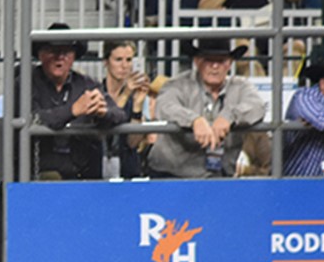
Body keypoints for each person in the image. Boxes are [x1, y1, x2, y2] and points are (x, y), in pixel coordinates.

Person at [146, 36, 267, 178]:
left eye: (221, 61)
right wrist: (194, 120)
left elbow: (257, 106)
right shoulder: (178, 84)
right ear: (197, 62)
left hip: (220, 177)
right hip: (172, 175)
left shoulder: (241, 86)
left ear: (229, 63)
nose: (215, 66)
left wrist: (229, 116)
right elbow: (164, 106)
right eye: (209, 60)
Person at [30, 24, 128, 180]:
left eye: (66, 51)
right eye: (53, 51)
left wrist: (103, 113)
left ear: (74, 56)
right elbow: (30, 119)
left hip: (82, 175)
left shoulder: (86, 84)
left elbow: (120, 115)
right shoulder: (25, 83)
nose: (59, 57)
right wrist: (73, 110)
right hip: (36, 175)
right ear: (40, 54)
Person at [100, 39, 155, 178]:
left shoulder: (135, 94)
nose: (124, 66)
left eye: (129, 60)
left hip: (128, 169)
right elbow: (106, 126)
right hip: (97, 167)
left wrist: (137, 106)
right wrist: (125, 94)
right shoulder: (95, 91)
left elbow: (133, 142)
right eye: (118, 60)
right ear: (106, 62)